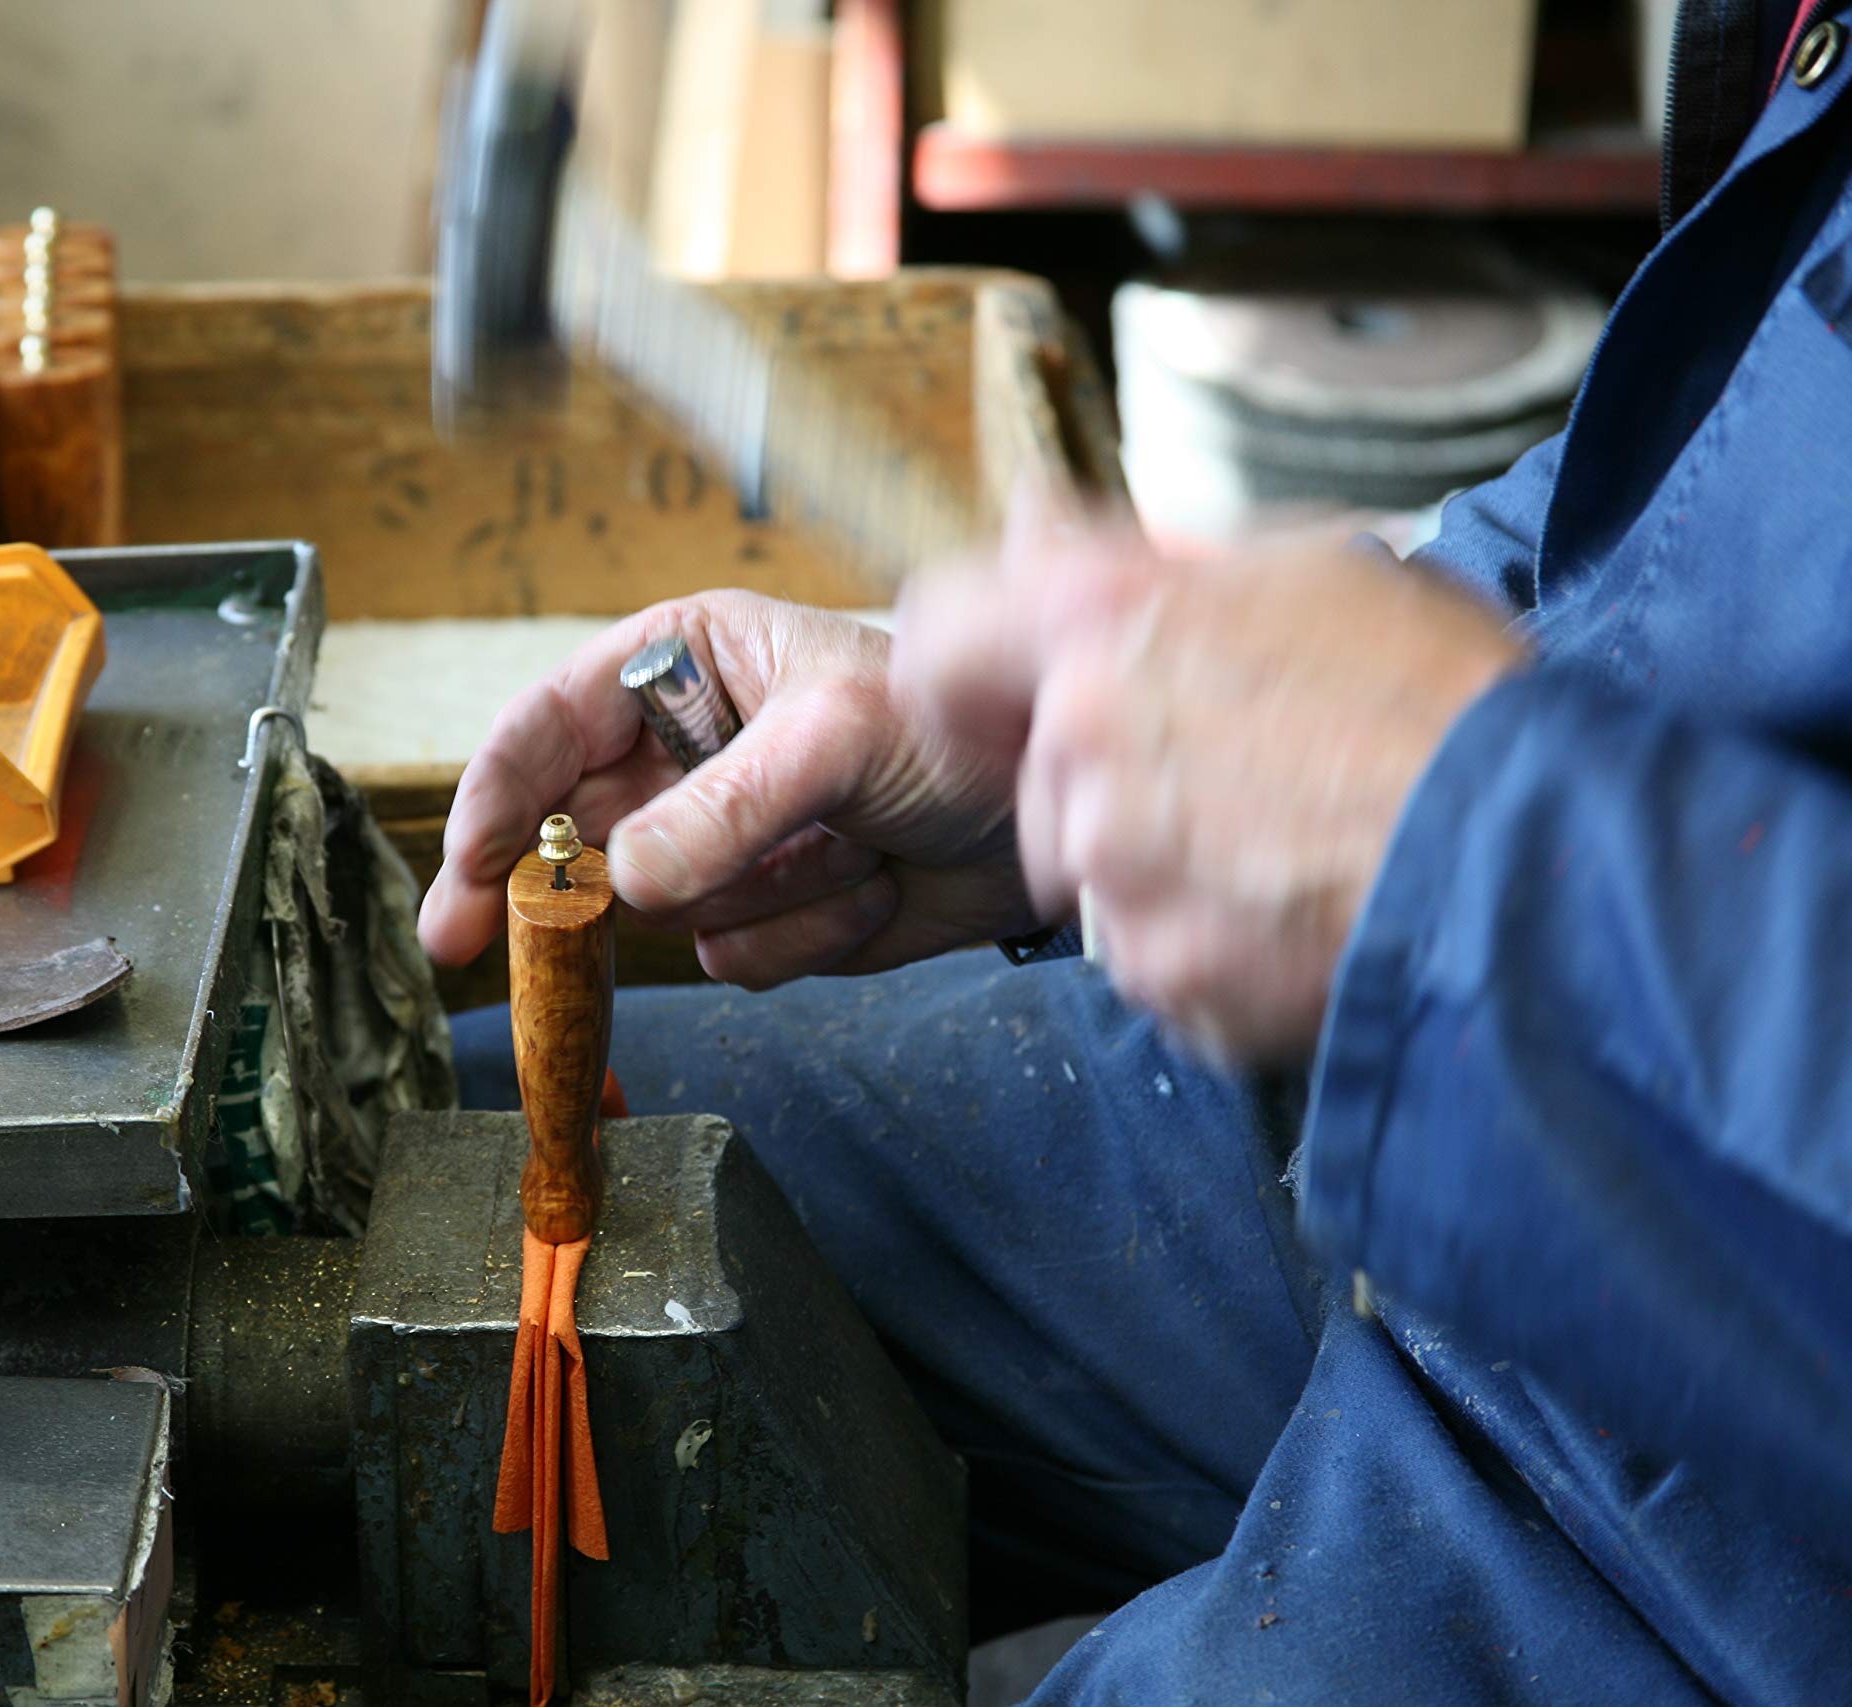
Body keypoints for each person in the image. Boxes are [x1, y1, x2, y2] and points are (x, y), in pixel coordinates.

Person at [424, 1, 1852, 1698]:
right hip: (1517, 1019)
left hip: (1740, 1503)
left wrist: (1485, 864)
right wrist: (1145, 760)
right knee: (448, 1163)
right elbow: (1711, 518)